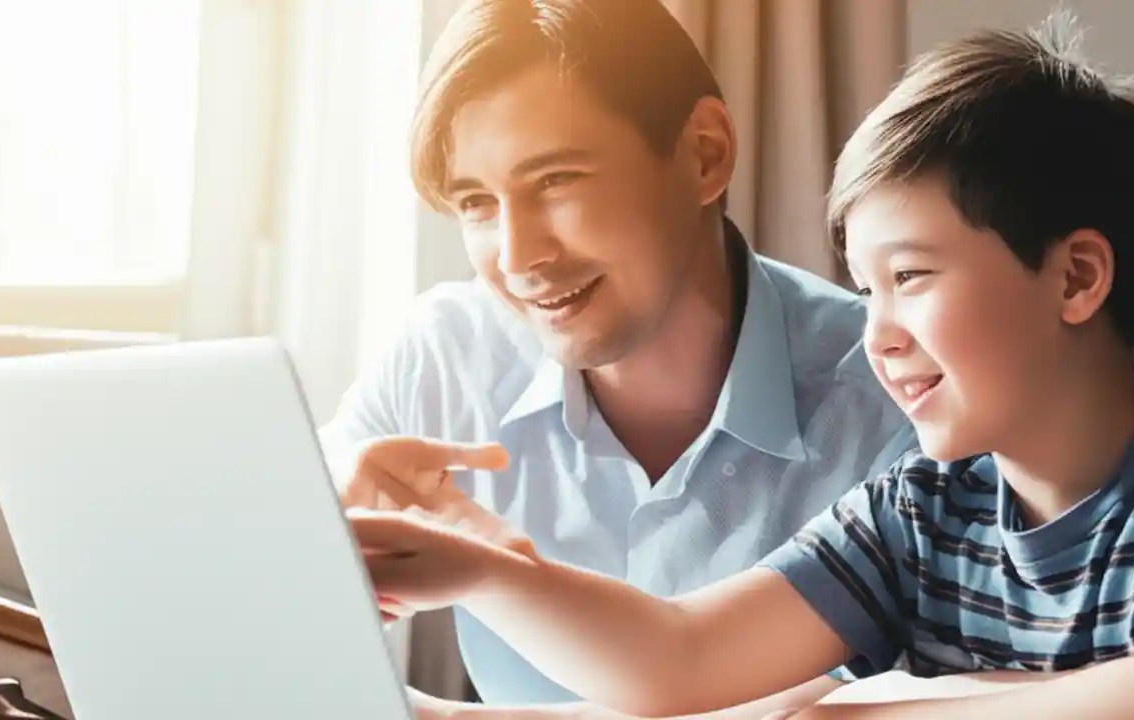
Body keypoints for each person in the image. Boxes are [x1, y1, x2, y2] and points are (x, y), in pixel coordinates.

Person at [352, 13, 1134, 720]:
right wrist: (481, 571)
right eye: (865, 289)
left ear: (1076, 277)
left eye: (909, 278)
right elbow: (681, 657)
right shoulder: (915, 513)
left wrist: (869, 712)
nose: (876, 336)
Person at [318, 0, 911, 711]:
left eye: (556, 182)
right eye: (476, 203)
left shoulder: (895, 392)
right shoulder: (445, 358)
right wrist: (310, 548)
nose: (518, 257)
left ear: (704, 155)